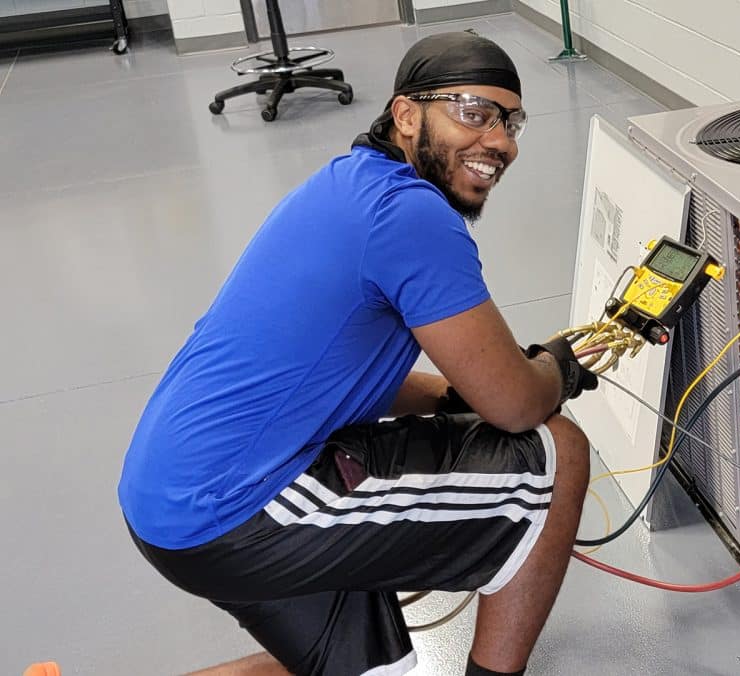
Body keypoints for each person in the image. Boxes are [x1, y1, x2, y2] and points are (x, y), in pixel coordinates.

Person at [117, 32, 597, 676]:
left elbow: (333, 367)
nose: (501, 142)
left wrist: (451, 394)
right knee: (557, 451)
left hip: (166, 498)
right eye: (474, 113)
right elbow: (514, 405)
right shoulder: (411, 215)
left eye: (510, 123)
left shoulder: (347, 185)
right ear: (406, 115)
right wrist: (554, 369)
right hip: (238, 508)